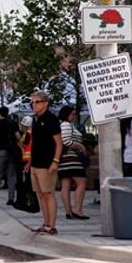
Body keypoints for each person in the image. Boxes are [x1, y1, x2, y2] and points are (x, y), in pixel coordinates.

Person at [29, 91, 63, 235]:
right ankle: (45, 222)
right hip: (35, 162)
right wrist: (29, 161)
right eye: (32, 102)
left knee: (48, 193)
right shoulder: (35, 120)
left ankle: (52, 224)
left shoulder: (51, 119)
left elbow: (59, 143)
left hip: (47, 162)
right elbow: (35, 143)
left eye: (37, 102)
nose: (34, 105)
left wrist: (55, 161)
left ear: (45, 103)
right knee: (40, 194)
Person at [57, 105, 88, 220]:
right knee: (81, 182)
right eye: (72, 114)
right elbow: (66, 141)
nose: (74, 116)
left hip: (63, 158)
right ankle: (77, 209)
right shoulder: (66, 125)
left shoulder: (62, 125)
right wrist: (80, 146)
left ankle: (68, 211)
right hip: (71, 157)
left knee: (66, 184)